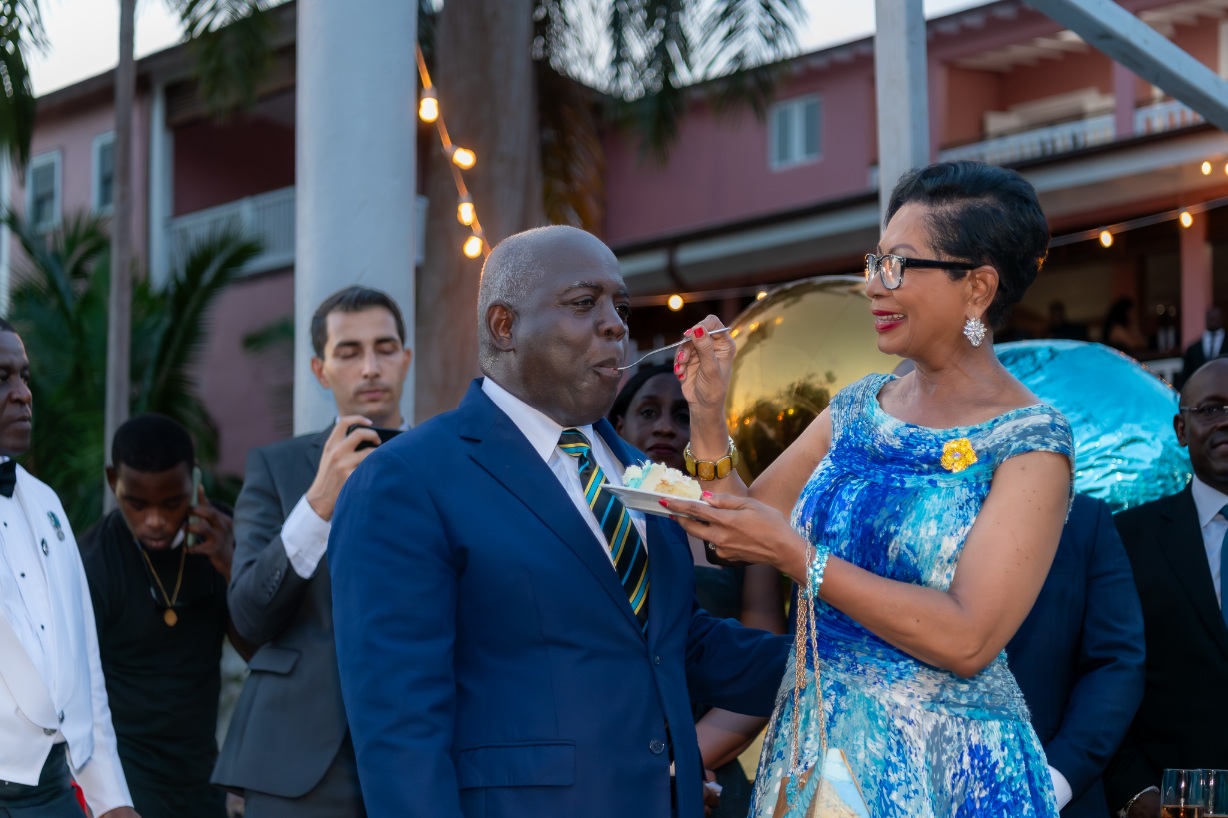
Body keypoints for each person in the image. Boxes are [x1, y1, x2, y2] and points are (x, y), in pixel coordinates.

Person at [328, 225, 789, 818]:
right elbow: (399, 731)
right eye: (583, 303)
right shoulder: (406, 480)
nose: (615, 325)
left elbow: (674, 643)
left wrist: (855, 659)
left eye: (620, 308)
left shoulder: (640, 471)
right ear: (504, 326)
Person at [666, 160, 1073, 817]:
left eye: (898, 266)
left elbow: (968, 639)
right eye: (874, 262)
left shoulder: (1029, 441)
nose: (872, 286)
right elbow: (734, 533)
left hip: (947, 766)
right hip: (818, 751)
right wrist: (708, 416)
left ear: (977, 287)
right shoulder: (857, 409)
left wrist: (798, 556)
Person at [213, 287, 413, 818]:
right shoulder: (275, 467)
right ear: (320, 371)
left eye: (385, 348)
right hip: (296, 756)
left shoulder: (448, 461)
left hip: (422, 745)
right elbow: (249, 615)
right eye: (349, 352)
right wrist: (318, 503)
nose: (370, 367)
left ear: (406, 358)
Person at [609, 363, 787, 818]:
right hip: (606, 767)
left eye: (683, 416)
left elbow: (763, 664)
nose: (666, 426)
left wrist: (683, 762)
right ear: (618, 425)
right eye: (649, 412)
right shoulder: (595, 518)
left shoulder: (744, 527)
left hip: (711, 766)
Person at [0, 318, 139, 818]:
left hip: (53, 793)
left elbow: (84, 664)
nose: (22, 394)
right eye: (1, 378)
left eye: (24, 377)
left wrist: (112, 800)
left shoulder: (46, 502)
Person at [78, 414, 241, 818]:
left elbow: (259, 649)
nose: (155, 520)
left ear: (194, 479)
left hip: (203, 779)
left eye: (172, 503)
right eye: (137, 503)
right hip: (128, 785)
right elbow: (75, 693)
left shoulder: (222, 535)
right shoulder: (94, 561)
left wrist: (232, 570)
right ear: (113, 479)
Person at [1104, 357, 1228, 818]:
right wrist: (1136, 794)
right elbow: (1100, 674)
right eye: (1211, 409)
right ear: (1181, 429)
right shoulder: (1127, 539)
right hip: (1176, 804)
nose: (1225, 421)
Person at [1006, 493, 1145, 818]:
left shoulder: (1083, 517)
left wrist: (1054, 780)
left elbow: (1115, 660)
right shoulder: (899, 507)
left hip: (1060, 792)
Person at [1180, 305, 1225, 385]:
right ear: (1206, 319)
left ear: (1221, 319)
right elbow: (1185, 378)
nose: (1214, 320)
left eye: (1216, 317)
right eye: (1211, 318)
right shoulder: (1192, 349)